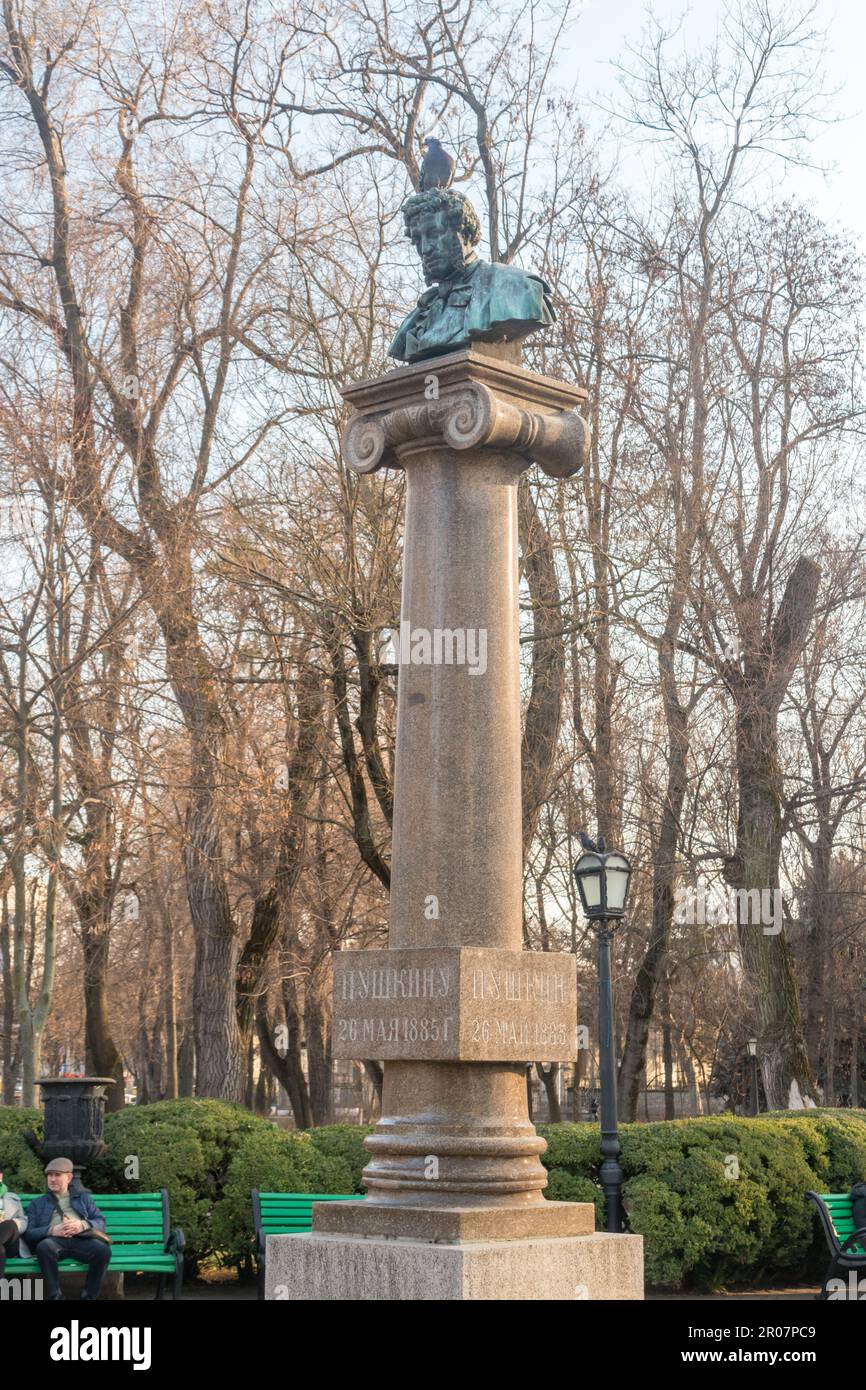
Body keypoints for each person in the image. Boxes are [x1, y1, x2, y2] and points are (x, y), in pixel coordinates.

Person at [25, 1157, 110, 1300]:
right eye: (50, 1175)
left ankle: (88, 1296)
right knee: (44, 1247)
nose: (52, 1179)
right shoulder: (37, 1203)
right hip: (54, 1242)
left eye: (57, 1175)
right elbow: (28, 1234)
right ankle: (56, 1296)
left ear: (69, 1177)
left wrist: (82, 1225)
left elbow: (100, 1221)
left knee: (103, 1250)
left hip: (81, 1240)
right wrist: (51, 1230)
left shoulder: (83, 1198)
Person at [0, 1168, 28, 1276]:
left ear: (1, 1176)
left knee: (9, 1224)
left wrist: (8, 1224)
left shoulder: (12, 1198)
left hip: (11, 1243)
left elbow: (23, 1221)